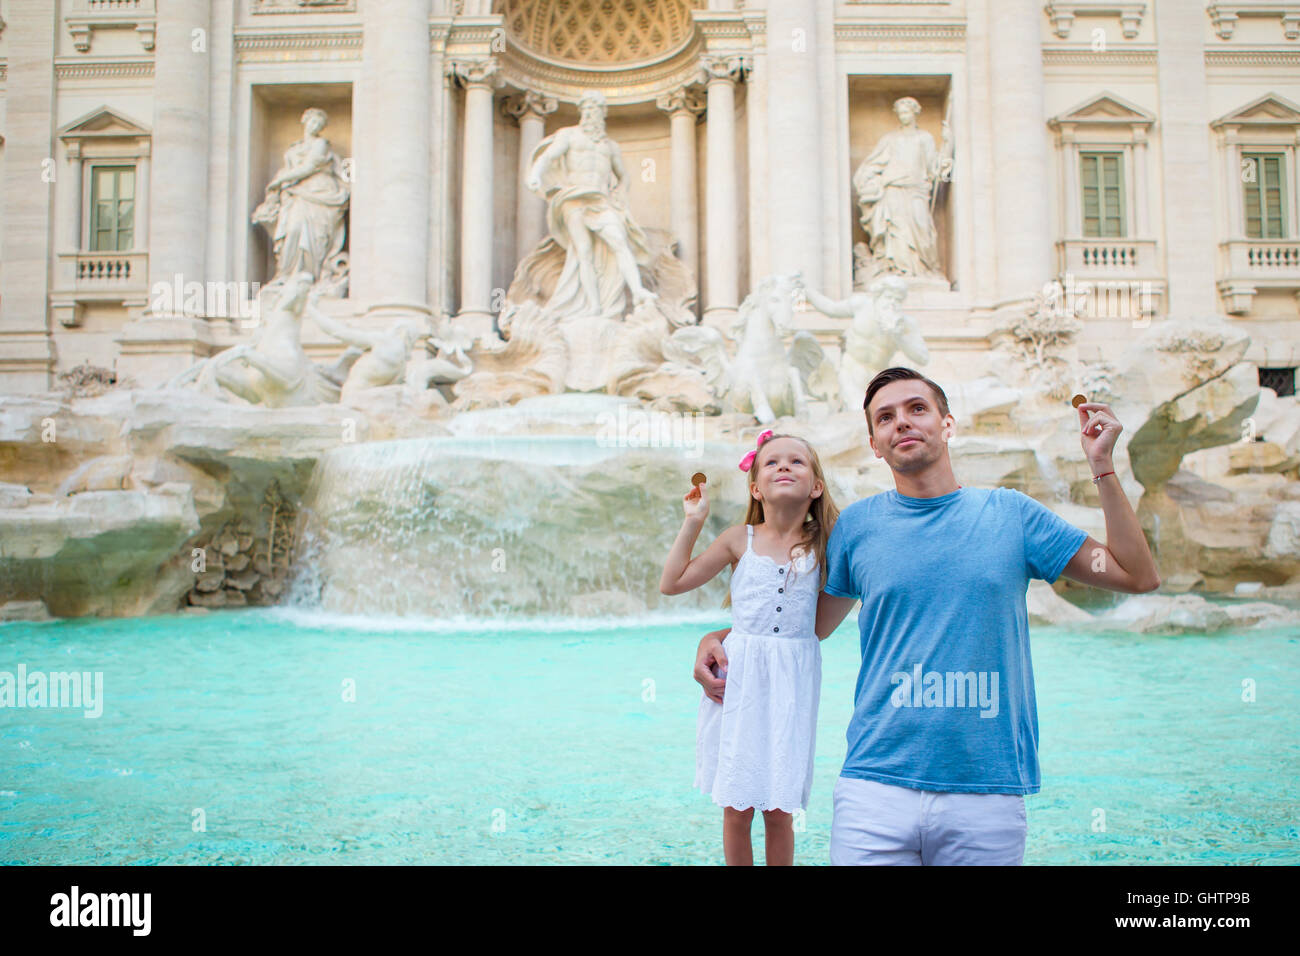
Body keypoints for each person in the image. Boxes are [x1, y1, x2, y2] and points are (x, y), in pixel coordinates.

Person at [692, 367, 1160, 865]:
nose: (902, 423)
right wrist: (719, 636)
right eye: (886, 417)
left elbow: (1135, 575)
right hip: (872, 788)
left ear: (947, 424)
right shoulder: (856, 527)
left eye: (917, 409)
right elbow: (805, 625)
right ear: (875, 444)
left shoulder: (1012, 515)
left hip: (986, 790)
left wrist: (1103, 468)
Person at [661, 431, 841, 865]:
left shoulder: (828, 544)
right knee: (737, 809)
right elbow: (672, 583)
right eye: (772, 462)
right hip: (739, 683)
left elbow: (814, 628)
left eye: (797, 462)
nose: (784, 466)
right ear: (756, 488)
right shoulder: (737, 539)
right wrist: (693, 521)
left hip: (790, 685)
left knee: (780, 809)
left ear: (816, 486)